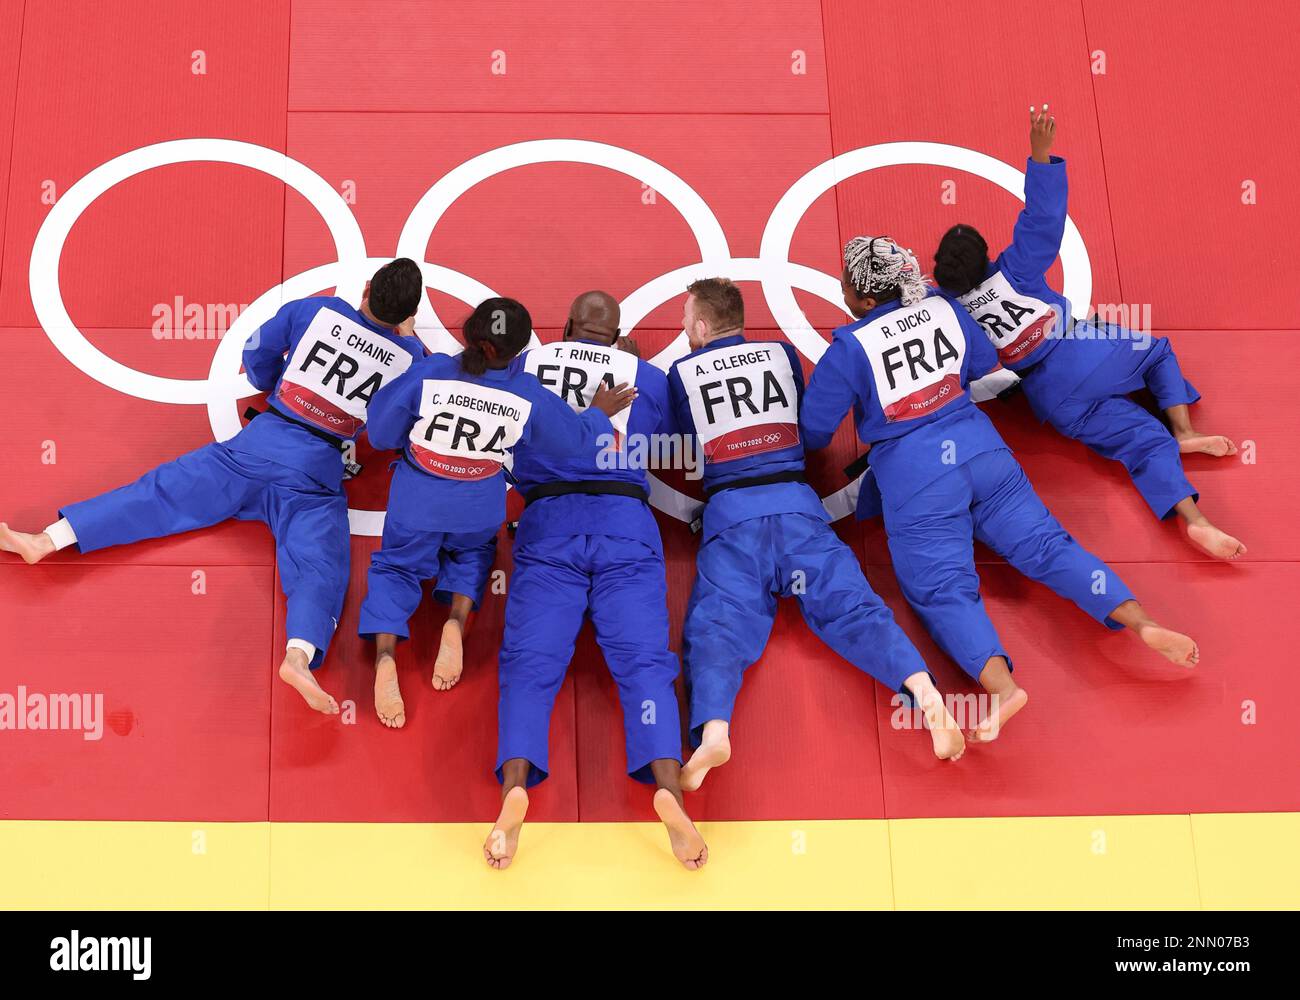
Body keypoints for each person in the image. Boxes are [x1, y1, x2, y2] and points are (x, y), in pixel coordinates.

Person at [802, 236, 1200, 743]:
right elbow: (985, 359)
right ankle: (1142, 623)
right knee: (1050, 547)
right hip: (983, 453)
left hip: (917, 478)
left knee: (941, 589)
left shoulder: (848, 350)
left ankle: (1003, 689)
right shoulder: (944, 306)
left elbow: (815, 432)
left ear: (859, 298)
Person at [1, 258, 428, 714]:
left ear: (365, 289)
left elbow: (257, 349)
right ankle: (298, 656)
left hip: (254, 448)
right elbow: (391, 430)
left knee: (157, 493)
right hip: (313, 478)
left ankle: (46, 539)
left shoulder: (315, 312)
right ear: (409, 313)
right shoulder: (413, 363)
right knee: (321, 567)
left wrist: (270, 383)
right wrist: (407, 339)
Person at [667, 278, 966, 792]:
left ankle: (714, 728)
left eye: (685, 324)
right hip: (797, 507)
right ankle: (924, 693)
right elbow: (807, 425)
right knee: (854, 606)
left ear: (699, 326)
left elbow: (685, 441)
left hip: (734, 516)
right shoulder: (782, 354)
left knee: (717, 627)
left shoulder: (681, 372)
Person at [354, 297, 635, 840]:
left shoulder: (430, 371)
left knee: (394, 567)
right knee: (475, 554)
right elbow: (577, 444)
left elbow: (382, 433)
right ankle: (457, 621)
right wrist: (598, 410)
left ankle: (388, 654)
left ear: (467, 333)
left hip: (417, 499)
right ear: (520, 351)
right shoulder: (526, 392)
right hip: (478, 505)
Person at [932, 105, 1244, 561]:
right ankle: (1181, 430)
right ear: (986, 256)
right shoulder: (1015, 268)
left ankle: (1196, 521)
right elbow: (1043, 221)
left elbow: (973, 361)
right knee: (1157, 353)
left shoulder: (947, 309)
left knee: (1139, 440)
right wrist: (1041, 157)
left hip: (1051, 399)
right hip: (1086, 351)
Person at [487, 290, 706, 872]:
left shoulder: (525, 367)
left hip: (549, 526)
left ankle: (515, 788)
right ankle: (668, 787)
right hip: (624, 524)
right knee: (644, 666)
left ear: (564, 326)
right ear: (617, 337)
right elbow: (670, 442)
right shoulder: (647, 378)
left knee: (529, 667)